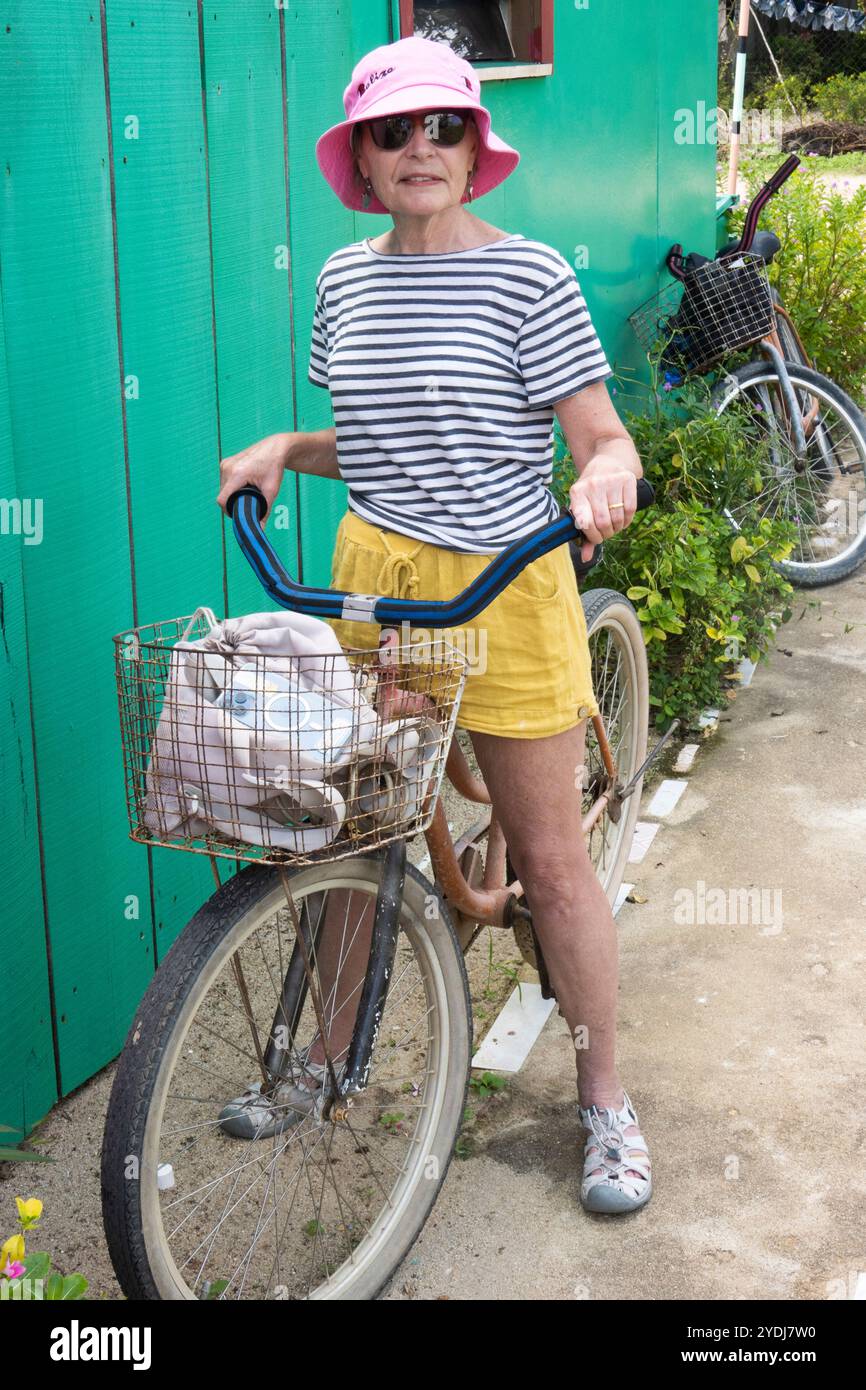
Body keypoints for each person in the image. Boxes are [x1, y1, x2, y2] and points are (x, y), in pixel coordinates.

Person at [216, 35, 651, 1215]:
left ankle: (605, 1096)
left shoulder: (530, 279)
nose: (420, 147)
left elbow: (601, 437)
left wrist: (604, 474)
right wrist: (282, 450)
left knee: (551, 863)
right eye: (393, 129)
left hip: (500, 583)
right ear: (360, 153)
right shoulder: (343, 282)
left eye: (443, 126)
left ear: (475, 146)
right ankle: (319, 1063)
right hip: (374, 580)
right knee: (355, 838)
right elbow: (376, 439)